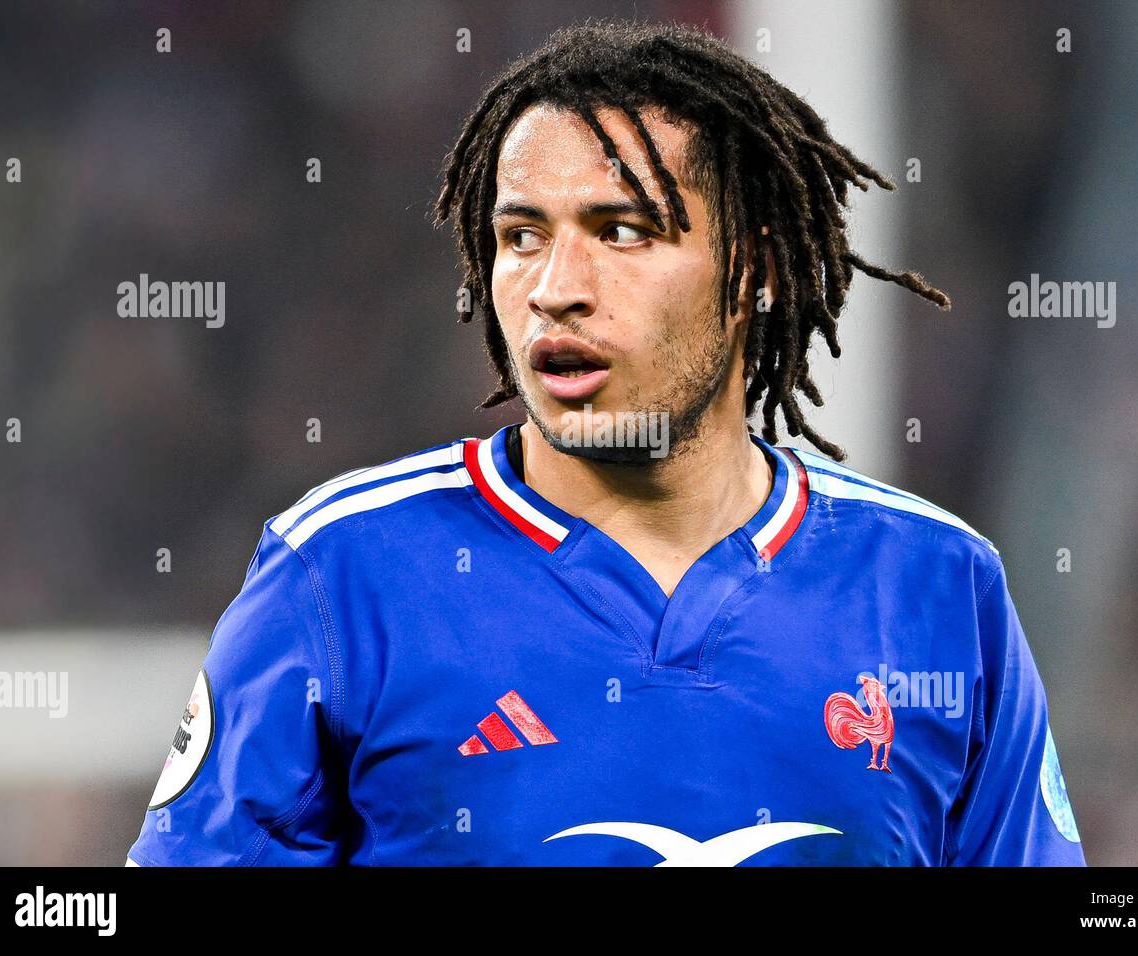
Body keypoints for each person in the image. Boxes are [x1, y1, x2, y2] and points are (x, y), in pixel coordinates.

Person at [127, 19, 1084, 866]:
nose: (556, 286)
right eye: (521, 237)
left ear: (754, 264)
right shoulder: (343, 575)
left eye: (620, 231)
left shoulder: (935, 587)